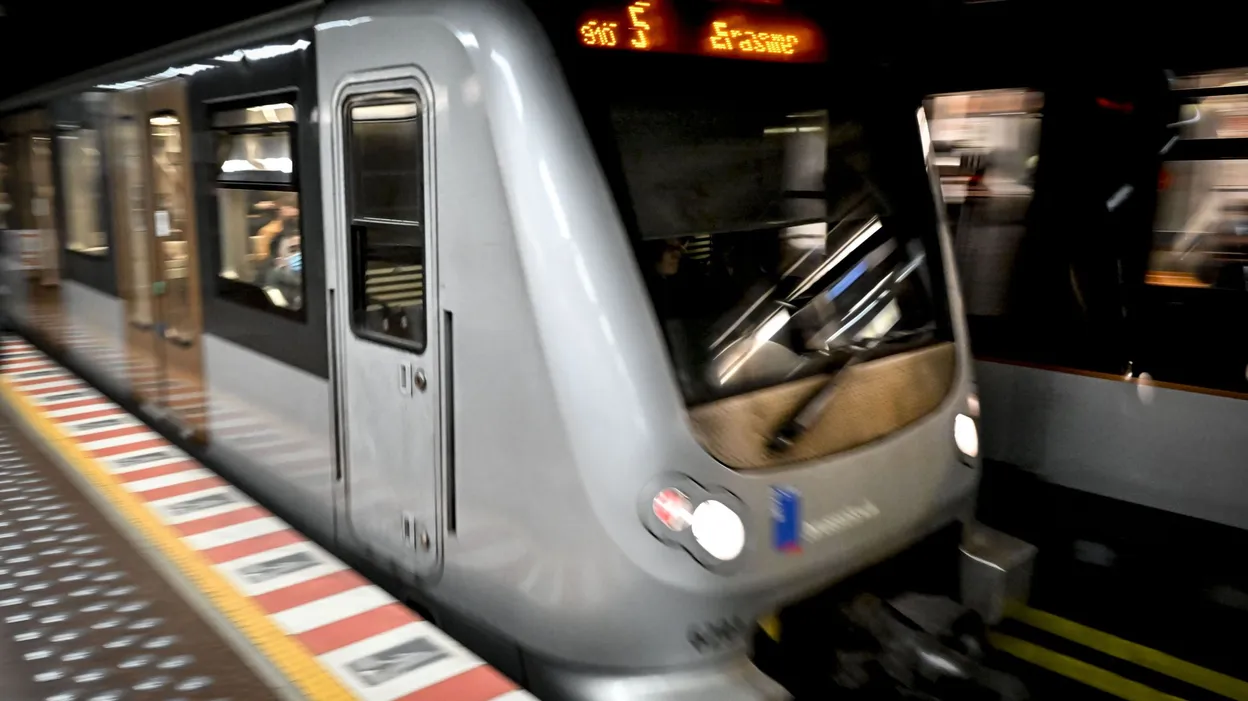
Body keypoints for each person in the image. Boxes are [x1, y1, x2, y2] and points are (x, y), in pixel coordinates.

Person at [264, 231, 302, 309]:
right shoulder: (273, 293)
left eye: (302, 248)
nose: (300, 254)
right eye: (293, 250)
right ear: (278, 261)